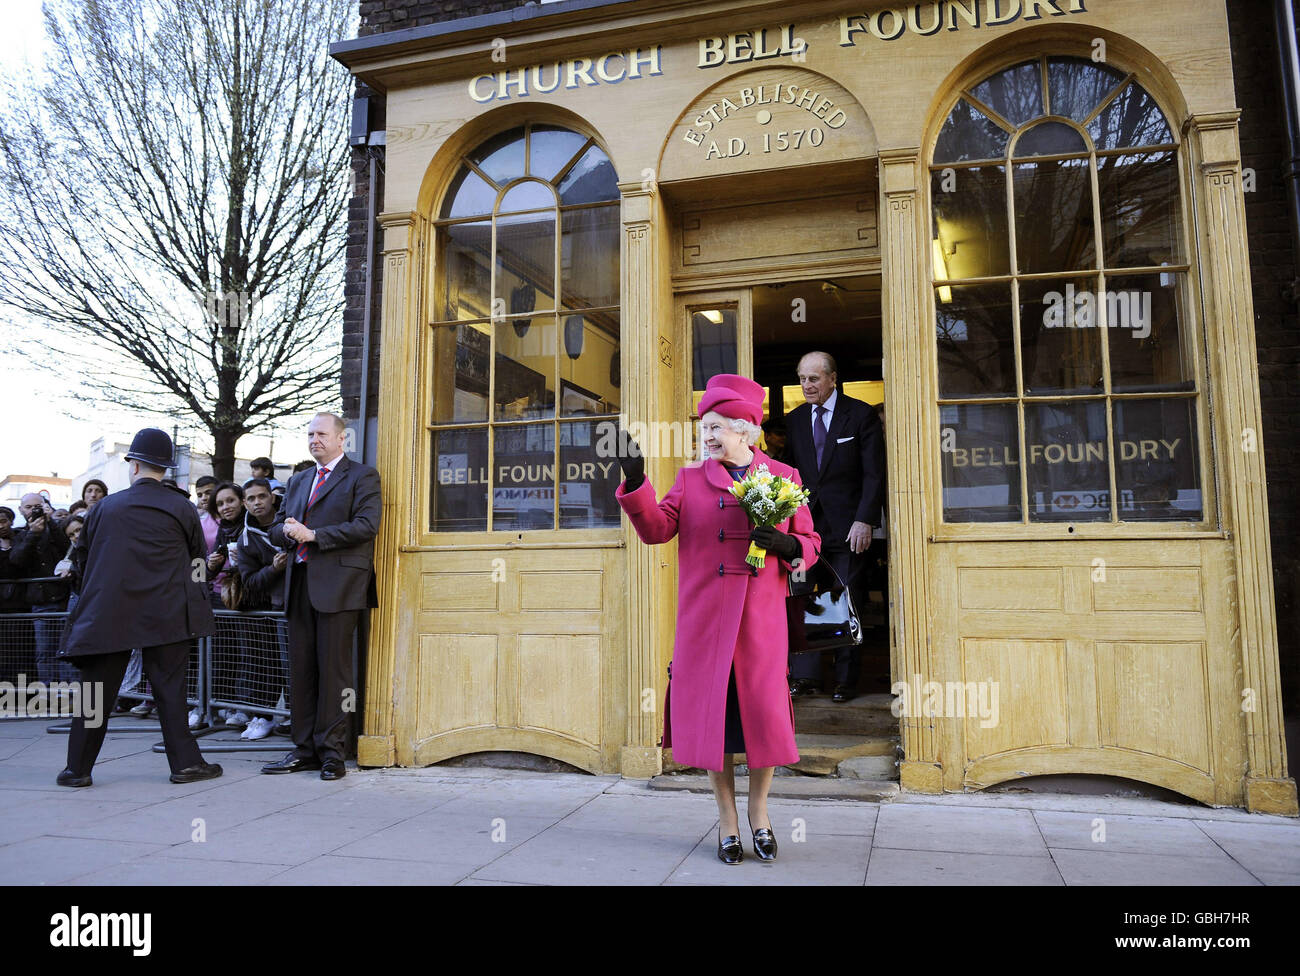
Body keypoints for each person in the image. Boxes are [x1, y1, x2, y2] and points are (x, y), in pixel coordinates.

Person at [616, 374, 820, 864]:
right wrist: (636, 482)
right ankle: (727, 822)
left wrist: (790, 546)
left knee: (763, 726)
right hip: (706, 628)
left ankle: (760, 813)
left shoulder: (784, 478)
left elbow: (811, 544)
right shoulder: (691, 480)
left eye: (715, 429)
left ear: (745, 431)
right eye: (703, 429)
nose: (706, 437)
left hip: (760, 628)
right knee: (717, 730)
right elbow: (656, 530)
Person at [55, 427, 222, 786]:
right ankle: (185, 764)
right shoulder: (183, 507)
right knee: (170, 691)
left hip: (108, 613)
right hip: (167, 612)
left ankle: (77, 769)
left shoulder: (104, 508)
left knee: (95, 694)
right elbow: (197, 561)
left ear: (133, 464)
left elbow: (82, 562)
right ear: (166, 468)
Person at [262, 412, 380, 781]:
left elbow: (367, 525)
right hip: (298, 586)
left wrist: (313, 535)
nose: (315, 440)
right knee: (301, 671)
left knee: (335, 674)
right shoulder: (298, 480)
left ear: (342, 439)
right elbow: (278, 527)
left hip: (339, 588)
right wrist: (286, 532)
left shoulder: (362, 476)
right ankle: (304, 750)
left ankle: (333, 752)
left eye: (322, 434)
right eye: (310, 434)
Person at [783, 351, 885, 703]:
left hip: (849, 526)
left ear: (832, 378)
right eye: (802, 379)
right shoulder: (795, 420)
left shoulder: (860, 415)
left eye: (813, 379)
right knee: (806, 598)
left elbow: (874, 473)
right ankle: (807, 677)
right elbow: (790, 475)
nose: (806, 385)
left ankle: (845, 680)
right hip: (806, 528)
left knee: (845, 599)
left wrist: (865, 519)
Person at [234, 477, 289, 740]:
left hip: (301, 602)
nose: (257, 503)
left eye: (262, 497)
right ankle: (262, 716)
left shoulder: (291, 517)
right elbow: (250, 581)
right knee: (265, 664)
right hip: (267, 609)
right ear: (245, 503)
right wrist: (274, 569)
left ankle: (293, 716)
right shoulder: (245, 538)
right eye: (251, 499)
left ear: (272, 497)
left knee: (294, 666)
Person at [11, 492, 74, 683]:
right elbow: (16, 561)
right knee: (44, 652)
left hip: (63, 598)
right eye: (29, 507)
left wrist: (51, 523)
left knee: (66, 650)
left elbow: (68, 549)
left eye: (37, 506)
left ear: (47, 506)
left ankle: (69, 695)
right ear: (21, 510)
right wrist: (32, 534)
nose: (33, 510)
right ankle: (50, 695)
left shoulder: (56, 528)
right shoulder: (20, 534)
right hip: (40, 602)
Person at [206, 481, 250, 727]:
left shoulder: (251, 524)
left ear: (242, 501)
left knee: (248, 655)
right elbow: (211, 572)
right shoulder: (223, 530)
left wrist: (243, 558)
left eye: (230, 501)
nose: (226, 507)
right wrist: (212, 564)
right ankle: (225, 703)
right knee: (224, 654)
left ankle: (247, 708)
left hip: (251, 599)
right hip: (225, 598)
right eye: (220, 504)